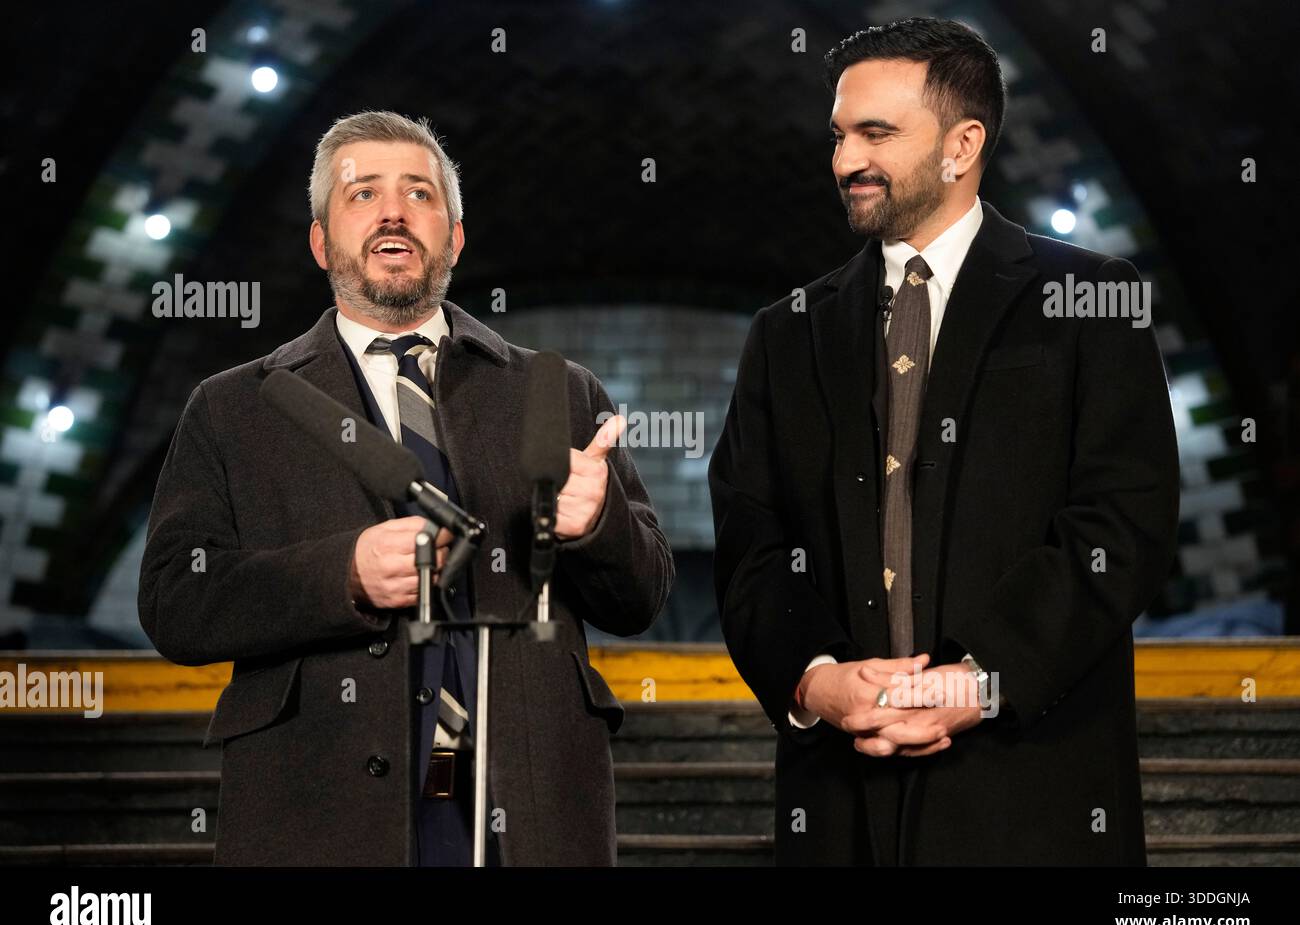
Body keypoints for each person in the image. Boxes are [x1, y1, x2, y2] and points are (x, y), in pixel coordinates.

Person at [138, 110, 674, 866]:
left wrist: (598, 525)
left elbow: (642, 597)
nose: (392, 210)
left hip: (524, 807)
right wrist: (343, 573)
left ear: (454, 236)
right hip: (318, 813)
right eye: (363, 195)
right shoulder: (234, 406)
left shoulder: (560, 391)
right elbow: (174, 603)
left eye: (419, 194)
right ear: (321, 241)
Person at [708, 18, 1179, 865]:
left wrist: (981, 678)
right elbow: (751, 540)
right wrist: (817, 679)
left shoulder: (1094, 297)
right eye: (840, 134)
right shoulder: (787, 331)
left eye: (876, 133)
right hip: (838, 804)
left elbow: (1123, 522)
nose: (845, 160)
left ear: (963, 145)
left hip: (1033, 798)